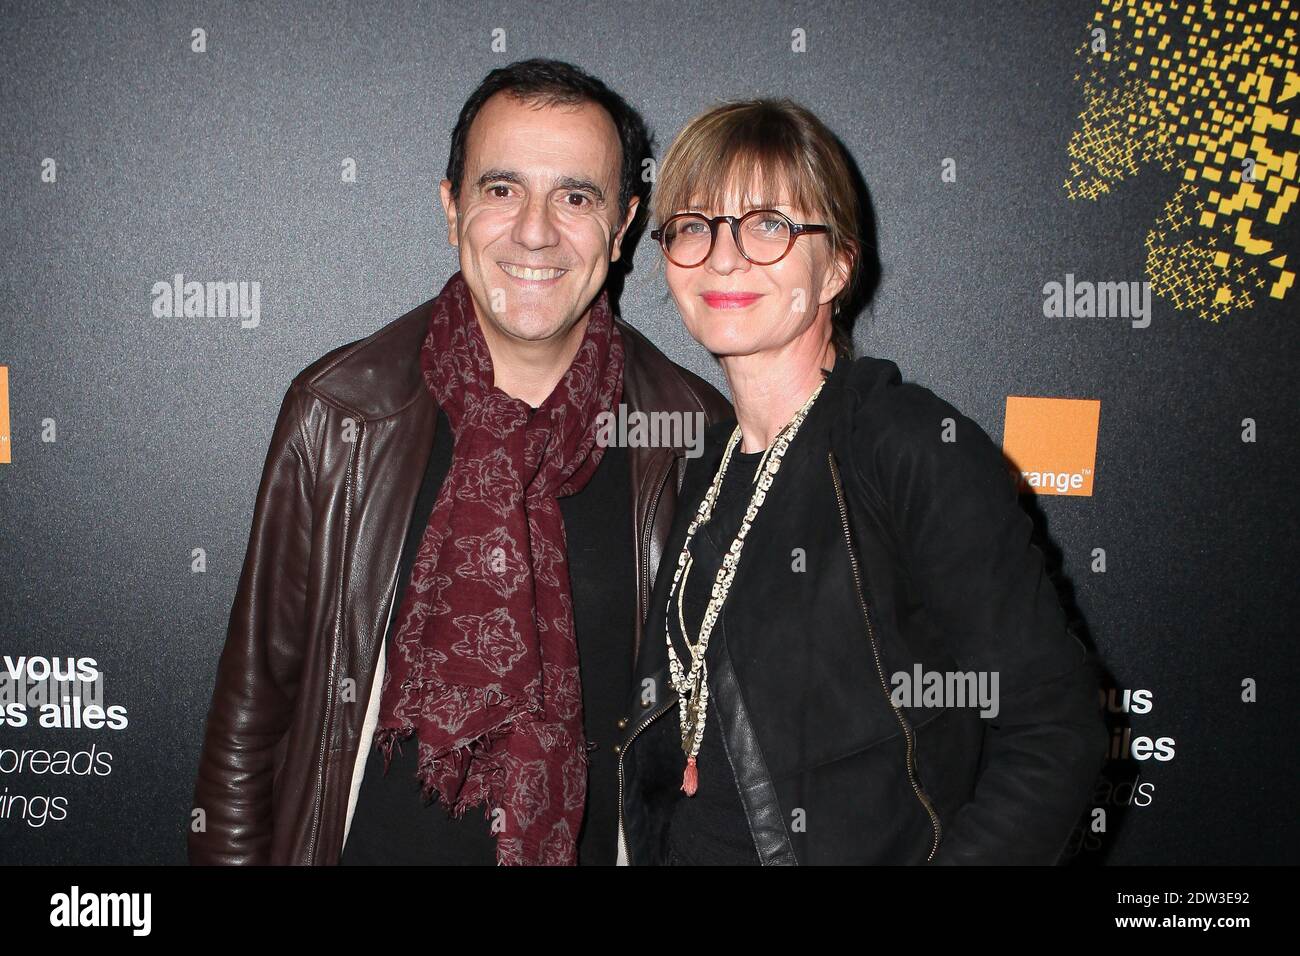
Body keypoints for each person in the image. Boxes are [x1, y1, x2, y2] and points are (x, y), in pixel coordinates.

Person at [188, 59, 731, 866]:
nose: (536, 231)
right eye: (502, 189)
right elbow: (251, 721)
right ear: (452, 208)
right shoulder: (341, 412)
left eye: (576, 197)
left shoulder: (691, 435)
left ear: (621, 229)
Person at [617, 98, 1108, 865]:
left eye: (769, 224)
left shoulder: (909, 447)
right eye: (694, 226)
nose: (723, 256)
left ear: (838, 265)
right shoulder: (701, 467)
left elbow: (1056, 729)